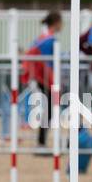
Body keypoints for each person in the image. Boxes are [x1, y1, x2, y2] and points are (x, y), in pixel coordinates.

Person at [22, 11, 62, 147]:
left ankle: (42, 141)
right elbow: (47, 63)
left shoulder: (42, 37)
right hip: (45, 78)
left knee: (49, 109)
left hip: (41, 77)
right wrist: (54, 81)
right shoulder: (49, 40)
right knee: (49, 109)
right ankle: (41, 141)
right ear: (56, 22)